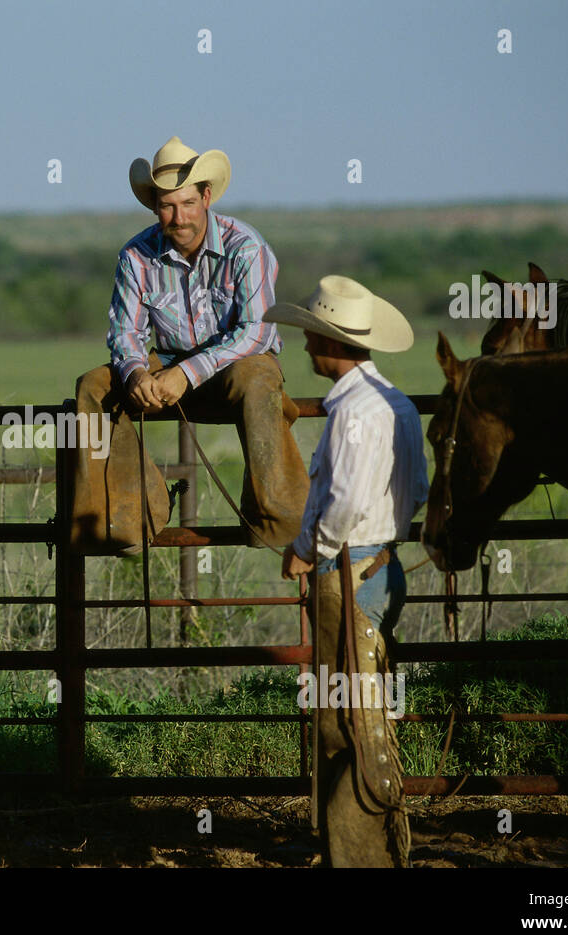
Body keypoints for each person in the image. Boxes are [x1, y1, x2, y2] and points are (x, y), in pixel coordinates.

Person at [70, 136, 309, 553]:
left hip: (231, 373)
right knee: (93, 385)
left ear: (207, 197)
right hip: (166, 369)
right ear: (154, 206)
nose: (178, 217)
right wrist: (136, 372)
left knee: (256, 373)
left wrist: (186, 372)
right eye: (167, 205)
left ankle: (278, 520)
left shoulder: (246, 247)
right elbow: (125, 333)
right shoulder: (136, 255)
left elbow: (257, 332)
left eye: (187, 203)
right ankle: (125, 519)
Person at [270, 274, 428, 867]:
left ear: (332, 344)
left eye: (314, 338)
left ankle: (360, 855)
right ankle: (362, 843)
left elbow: (343, 502)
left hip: (349, 572)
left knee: (349, 715)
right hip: (381, 566)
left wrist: (309, 549)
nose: (308, 347)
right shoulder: (399, 405)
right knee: (365, 705)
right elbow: (415, 490)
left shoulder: (355, 412)